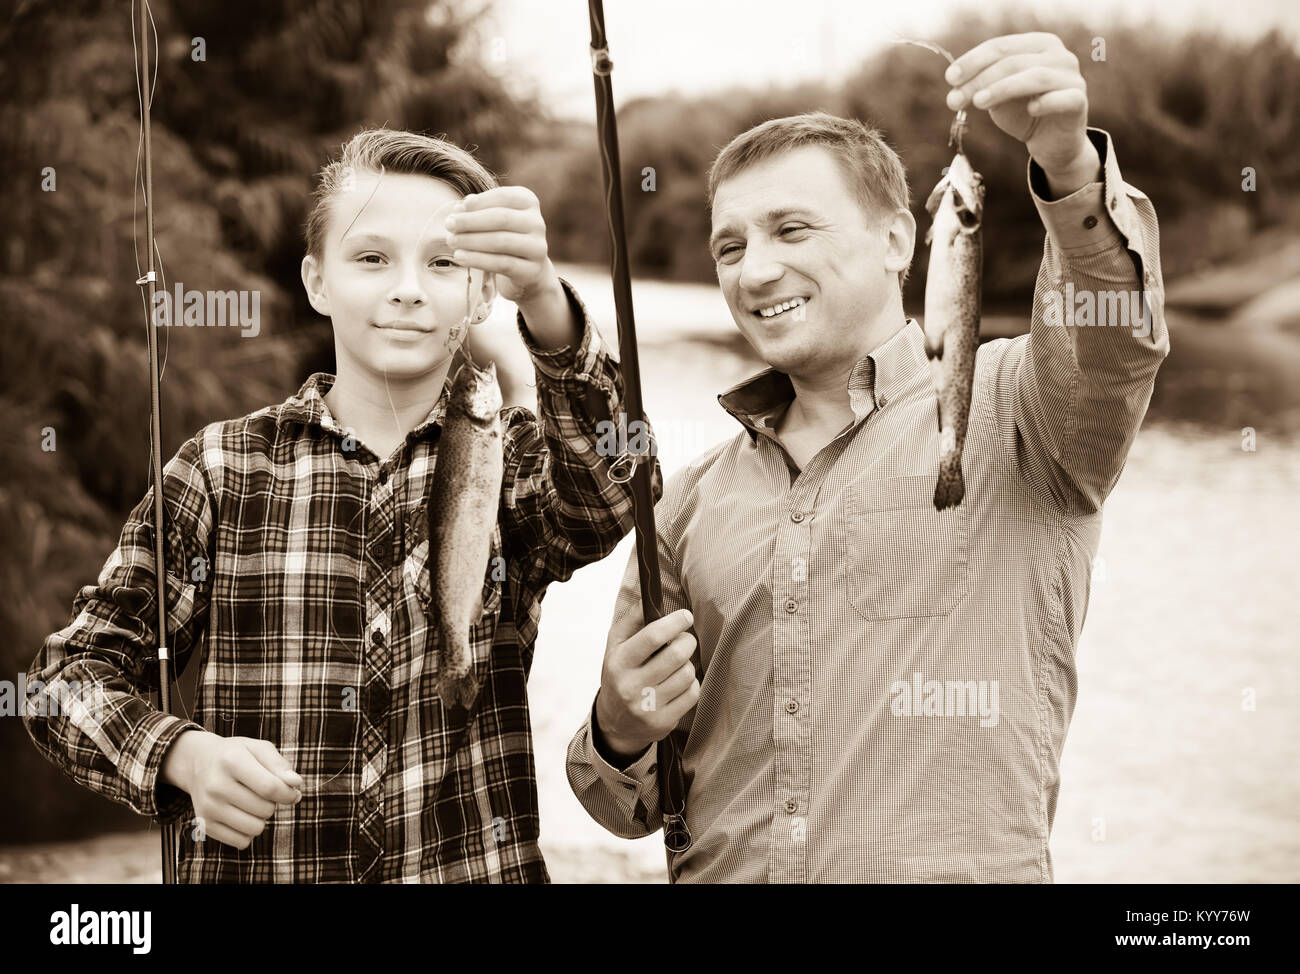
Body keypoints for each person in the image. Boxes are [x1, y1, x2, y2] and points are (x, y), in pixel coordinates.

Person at [567, 33, 1170, 882]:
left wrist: (1067, 164)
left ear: (900, 240)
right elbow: (615, 799)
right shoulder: (685, 504)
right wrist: (616, 730)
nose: (755, 269)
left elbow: (1114, 338)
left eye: (792, 229)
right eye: (730, 246)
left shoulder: (1020, 412)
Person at [24, 127, 661, 883]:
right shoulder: (220, 469)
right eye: (371, 258)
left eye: (443, 263)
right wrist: (182, 756)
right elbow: (62, 680)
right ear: (316, 281)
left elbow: (617, 490)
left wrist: (548, 307)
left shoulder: (513, 455)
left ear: (482, 290)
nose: (407, 289)